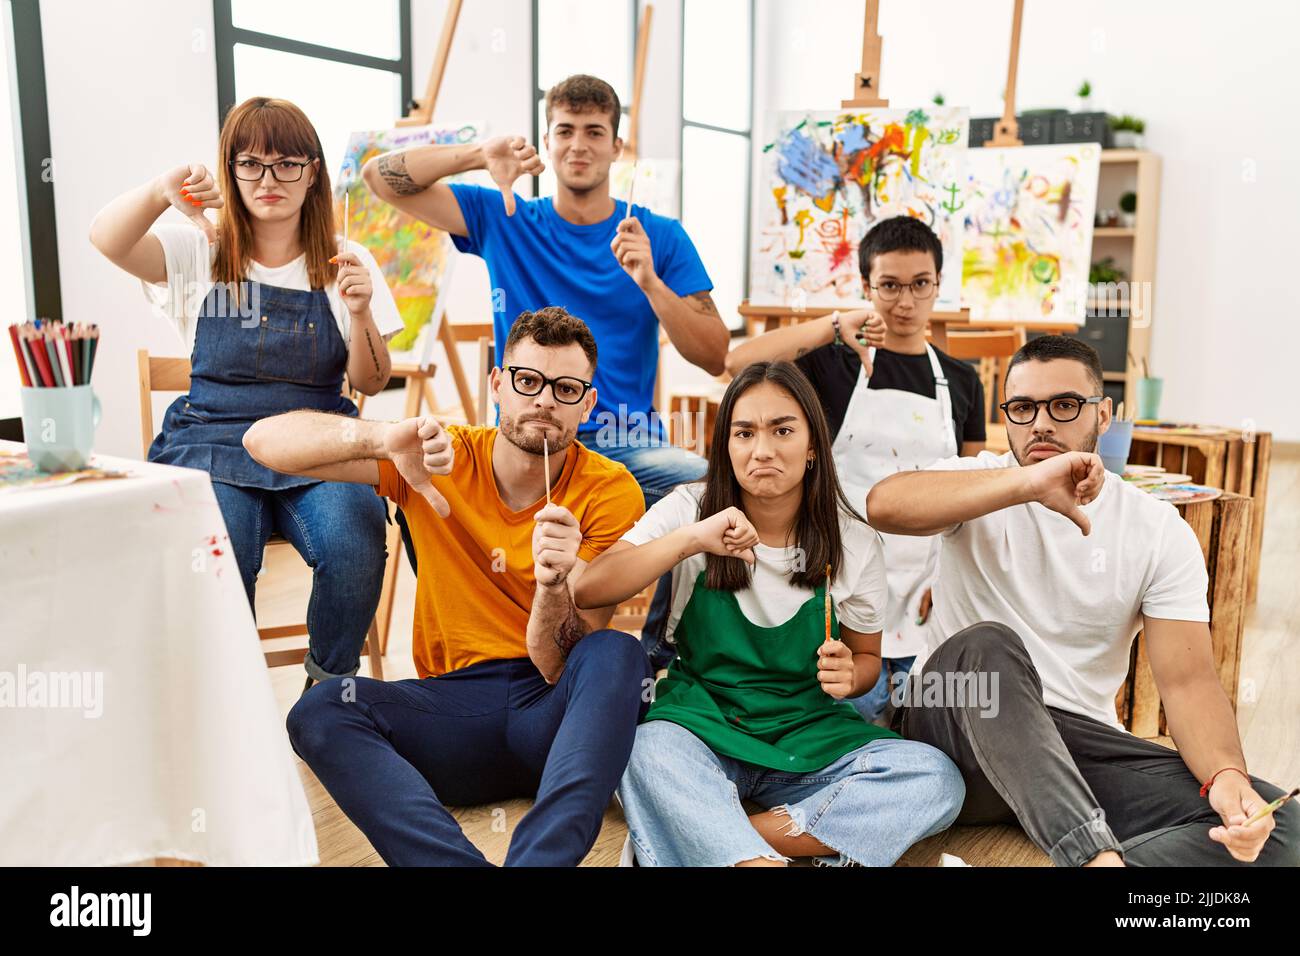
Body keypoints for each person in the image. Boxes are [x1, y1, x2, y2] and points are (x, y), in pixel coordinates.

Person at [867, 335, 1299, 867]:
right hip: (953, 733)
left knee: (1277, 829)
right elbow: (883, 504)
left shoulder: (1156, 528)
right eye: (1023, 408)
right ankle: (1093, 858)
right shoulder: (980, 482)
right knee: (989, 648)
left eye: (1064, 405)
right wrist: (1026, 483)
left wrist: (1227, 777)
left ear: (1105, 414)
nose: (1040, 424)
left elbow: (1189, 683)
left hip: (1070, 747)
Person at [244, 307, 652, 866]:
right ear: (497, 385)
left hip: (551, 712)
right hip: (451, 711)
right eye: (527, 381)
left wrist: (555, 583)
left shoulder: (610, 489)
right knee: (320, 710)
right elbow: (264, 442)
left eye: (565, 389)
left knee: (616, 651)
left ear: (587, 402)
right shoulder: (439, 456)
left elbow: (564, 661)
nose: (543, 401)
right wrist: (384, 436)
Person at [361, 73, 729, 668]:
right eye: (565, 130)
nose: (579, 144)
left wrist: (651, 282)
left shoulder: (655, 235)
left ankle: (663, 663)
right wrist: (479, 155)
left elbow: (714, 355)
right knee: (426, 484)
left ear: (617, 145)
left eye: (594, 132)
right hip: (515, 441)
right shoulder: (504, 214)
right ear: (546, 142)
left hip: (621, 444)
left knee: (711, 495)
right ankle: (467, 657)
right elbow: (380, 178)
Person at [574, 360, 964, 866]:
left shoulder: (855, 541)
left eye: (783, 430)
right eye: (744, 433)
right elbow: (590, 587)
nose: (762, 450)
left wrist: (851, 675)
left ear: (811, 448)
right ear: (727, 446)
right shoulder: (689, 509)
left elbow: (868, 661)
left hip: (808, 733)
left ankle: (710, 833)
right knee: (643, 750)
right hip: (701, 726)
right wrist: (692, 539)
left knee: (935, 779)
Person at [89, 96, 401, 689]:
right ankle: (230, 700)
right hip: (212, 445)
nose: (269, 179)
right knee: (219, 550)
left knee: (357, 541)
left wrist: (359, 312)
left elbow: (370, 382)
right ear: (229, 171)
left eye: (287, 164)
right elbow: (105, 238)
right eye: (251, 164)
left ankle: (328, 691)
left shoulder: (346, 259)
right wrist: (163, 189)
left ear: (313, 172)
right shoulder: (200, 253)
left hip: (319, 448)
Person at [725, 216, 985, 725]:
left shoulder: (961, 380)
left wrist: (953, 577)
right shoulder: (835, 364)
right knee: (834, 724)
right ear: (866, 287)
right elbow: (738, 363)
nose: (905, 302)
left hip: (929, 589)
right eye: (888, 285)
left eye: (920, 285)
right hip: (840, 582)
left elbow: (972, 492)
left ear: (938, 285)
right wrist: (832, 325)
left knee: (930, 731)